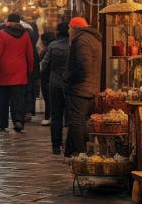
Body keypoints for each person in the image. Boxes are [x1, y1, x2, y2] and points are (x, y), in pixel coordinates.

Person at [64, 17, 103, 157]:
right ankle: (70, 151)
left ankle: (80, 153)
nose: (68, 31)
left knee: (76, 121)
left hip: (80, 88)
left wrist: (69, 78)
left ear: (74, 28)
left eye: (69, 28)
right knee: (79, 120)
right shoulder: (92, 38)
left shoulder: (81, 40)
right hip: (90, 87)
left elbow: (83, 66)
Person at [0, 13, 33, 132]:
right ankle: (18, 120)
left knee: (2, 99)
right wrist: (30, 69)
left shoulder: (3, 34)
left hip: (5, 71)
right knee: (18, 99)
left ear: (8, 22)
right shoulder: (25, 34)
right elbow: (29, 53)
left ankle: (2, 123)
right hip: (20, 71)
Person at [41, 22, 70, 154]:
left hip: (55, 83)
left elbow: (44, 65)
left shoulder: (53, 46)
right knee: (71, 115)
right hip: (70, 84)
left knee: (56, 115)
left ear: (57, 32)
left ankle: (56, 146)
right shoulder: (73, 45)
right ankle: (70, 145)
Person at [21, 20, 39, 121]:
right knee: (30, 90)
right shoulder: (31, 38)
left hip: (25, 68)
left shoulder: (24, 37)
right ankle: (28, 111)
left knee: (26, 90)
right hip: (30, 69)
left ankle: (25, 111)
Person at [37, 31, 56, 125]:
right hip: (57, 76)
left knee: (48, 99)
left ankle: (48, 117)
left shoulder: (45, 51)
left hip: (46, 77)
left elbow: (42, 65)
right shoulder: (57, 48)